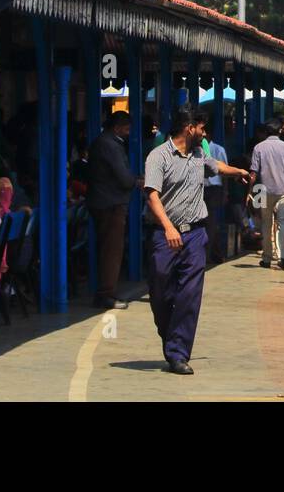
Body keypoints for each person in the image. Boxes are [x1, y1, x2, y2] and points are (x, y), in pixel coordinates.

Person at [144, 105, 248, 374]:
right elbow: (152, 195)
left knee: (189, 294)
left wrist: (238, 172)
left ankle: (178, 353)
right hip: (165, 235)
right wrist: (168, 227)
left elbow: (218, 167)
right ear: (189, 128)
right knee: (160, 293)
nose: (204, 134)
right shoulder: (158, 157)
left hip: (195, 234)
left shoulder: (200, 154)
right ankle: (170, 335)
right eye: (201, 128)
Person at [86, 111, 140, 310]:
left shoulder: (104, 142)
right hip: (110, 204)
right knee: (112, 251)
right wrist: (136, 181)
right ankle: (106, 295)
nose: (128, 133)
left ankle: (106, 292)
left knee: (108, 249)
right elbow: (124, 178)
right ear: (118, 127)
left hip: (104, 202)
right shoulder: (110, 145)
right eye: (127, 129)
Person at [249, 118, 284, 270]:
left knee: (266, 225)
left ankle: (267, 258)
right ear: (280, 131)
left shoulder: (258, 148)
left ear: (266, 132)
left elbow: (253, 173)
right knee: (283, 223)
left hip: (263, 191)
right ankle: (282, 258)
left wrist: (249, 192)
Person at [202, 132, 230, 264]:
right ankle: (216, 253)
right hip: (201, 188)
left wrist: (225, 192)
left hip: (214, 188)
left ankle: (209, 254)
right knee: (208, 223)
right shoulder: (196, 149)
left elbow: (225, 171)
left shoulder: (218, 149)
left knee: (211, 222)